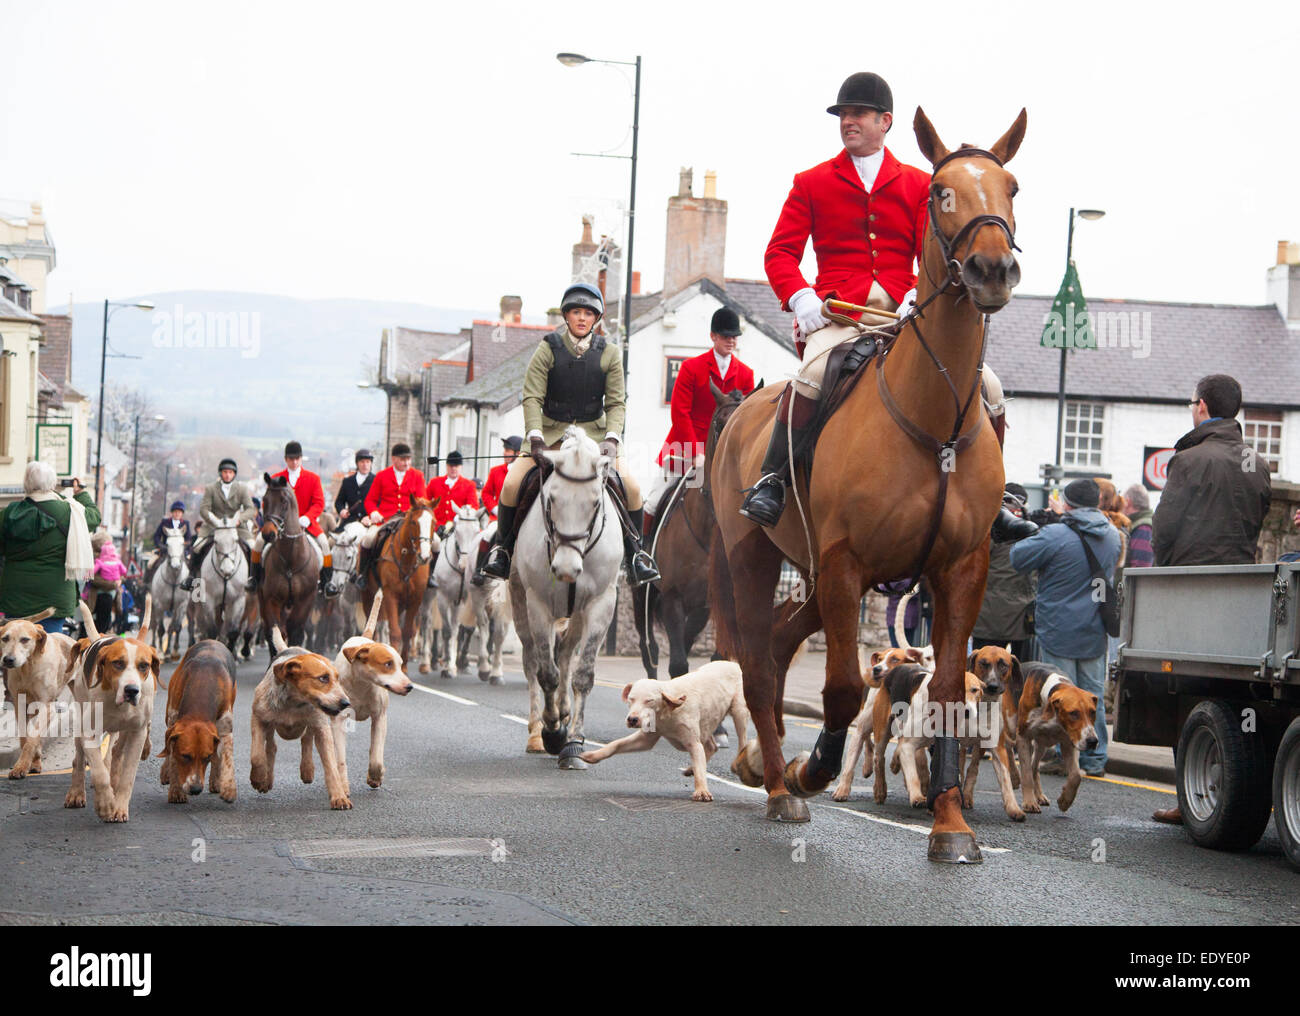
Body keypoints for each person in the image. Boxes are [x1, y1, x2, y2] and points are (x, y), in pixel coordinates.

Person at [740, 71, 1033, 545]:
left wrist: (918, 294)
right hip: (839, 315)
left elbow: (934, 247)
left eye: (858, 114)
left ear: (885, 121)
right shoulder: (811, 182)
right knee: (811, 377)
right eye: (843, 115)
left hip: (906, 315)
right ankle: (773, 480)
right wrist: (803, 298)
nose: (848, 122)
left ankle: (993, 498)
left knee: (991, 387)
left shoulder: (923, 183)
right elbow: (779, 254)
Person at [478, 282, 659, 586]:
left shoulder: (610, 353)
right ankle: (503, 550)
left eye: (588, 313)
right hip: (549, 434)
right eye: (576, 312)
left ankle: (635, 556)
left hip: (596, 436)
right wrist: (535, 436)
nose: (582, 318)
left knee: (632, 487)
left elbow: (616, 403)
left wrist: (612, 439)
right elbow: (532, 396)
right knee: (510, 484)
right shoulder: (548, 348)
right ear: (566, 316)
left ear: (596, 318)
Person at [1150, 374, 1272, 824]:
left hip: (1190, 587)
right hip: (1241, 590)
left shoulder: (1189, 459)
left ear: (1201, 406)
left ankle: (1190, 800)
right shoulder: (1256, 463)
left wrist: (1166, 572)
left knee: (1190, 694)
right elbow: (1255, 523)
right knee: (1231, 694)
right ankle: (1219, 795)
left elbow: (1165, 528)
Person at [1008, 478, 1120, 776]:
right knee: (1091, 695)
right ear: (1097, 502)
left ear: (1067, 503)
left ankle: (1062, 753)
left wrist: (1054, 523)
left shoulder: (1056, 533)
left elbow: (1017, 558)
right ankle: (1095, 759)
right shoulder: (1113, 535)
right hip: (1095, 626)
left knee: (1060, 697)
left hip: (1059, 626)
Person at [645, 306, 755, 532]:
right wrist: (695, 452)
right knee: (654, 501)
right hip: (684, 448)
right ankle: (642, 556)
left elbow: (745, 418)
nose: (731, 341)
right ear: (713, 336)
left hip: (724, 454)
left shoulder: (746, 374)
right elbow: (679, 413)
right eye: (726, 336)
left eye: (734, 337)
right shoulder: (691, 368)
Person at [0, 462, 99, 633]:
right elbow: (94, 516)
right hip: (54, 599)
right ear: (52, 484)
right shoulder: (71, 512)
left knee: (15, 648)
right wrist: (80, 492)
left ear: (26, 483)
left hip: (15, 597)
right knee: (49, 649)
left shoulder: (9, 513)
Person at [249, 441, 334, 594]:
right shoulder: (276, 478)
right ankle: (254, 579)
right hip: (280, 526)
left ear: (301, 459)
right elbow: (268, 502)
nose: (294, 462)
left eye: (297, 459)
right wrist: (273, 521)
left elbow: (319, 502)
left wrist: (307, 518)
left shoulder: (313, 478)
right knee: (258, 543)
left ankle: (327, 583)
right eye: (291, 459)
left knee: (324, 544)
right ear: (286, 459)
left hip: (307, 524)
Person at [972, 483, 1037, 661]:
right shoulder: (1030, 530)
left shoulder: (985, 530)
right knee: (1019, 671)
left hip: (987, 614)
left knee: (982, 669)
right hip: (1021, 614)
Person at [354, 442, 428, 589]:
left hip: (409, 520)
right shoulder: (382, 476)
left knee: (436, 542)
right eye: (402, 459)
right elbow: (370, 500)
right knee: (368, 540)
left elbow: (422, 500)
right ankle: (362, 574)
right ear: (393, 459)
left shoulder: (417, 475)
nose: (406, 462)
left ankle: (429, 576)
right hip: (386, 519)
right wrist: (374, 513)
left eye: (408, 459)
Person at [180, 458, 258, 591]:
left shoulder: (242, 489)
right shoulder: (211, 488)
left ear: (234, 474)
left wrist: (239, 520)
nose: (227, 475)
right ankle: (192, 577)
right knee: (197, 546)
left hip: (237, 526)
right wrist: (214, 520)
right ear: (220, 473)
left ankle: (252, 579)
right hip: (214, 525)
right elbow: (204, 509)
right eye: (225, 472)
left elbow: (250, 509)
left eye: (230, 472)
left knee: (252, 547)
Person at [428, 449, 480, 530]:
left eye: (456, 466)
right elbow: (425, 502)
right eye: (451, 466)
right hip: (436, 528)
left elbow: (472, 507)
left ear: (461, 467)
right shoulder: (434, 482)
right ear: (446, 466)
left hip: (458, 528)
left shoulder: (469, 485)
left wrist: (458, 518)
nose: (453, 468)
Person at [85, 538, 128, 634]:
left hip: (104, 596)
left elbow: (89, 575)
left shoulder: (100, 561)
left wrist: (120, 580)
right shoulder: (115, 561)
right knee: (101, 623)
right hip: (101, 596)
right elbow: (125, 572)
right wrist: (115, 583)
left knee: (102, 622)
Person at [480, 436, 522, 520]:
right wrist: (495, 509)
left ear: (518, 453)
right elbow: (486, 494)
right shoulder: (495, 471)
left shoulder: (524, 473)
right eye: (505, 450)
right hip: (497, 519)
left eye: (508, 451)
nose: (504, 453)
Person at [335, 449, 375, 522]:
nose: (365, 465)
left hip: (370, 522)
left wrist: (371, 516)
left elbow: (382, 503)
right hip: (350, 521)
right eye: (362, 462)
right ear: (357, 463)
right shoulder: (347, 481)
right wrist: (342, 510)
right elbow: (339, 502)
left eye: (367, 462)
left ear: (371, 463)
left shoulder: (377, 481)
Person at [1123, 484, 1154, 570]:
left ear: (1127, 502)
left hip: (1131, 583)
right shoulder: (1140, 524)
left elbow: (1140, 569)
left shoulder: (1143, 528)